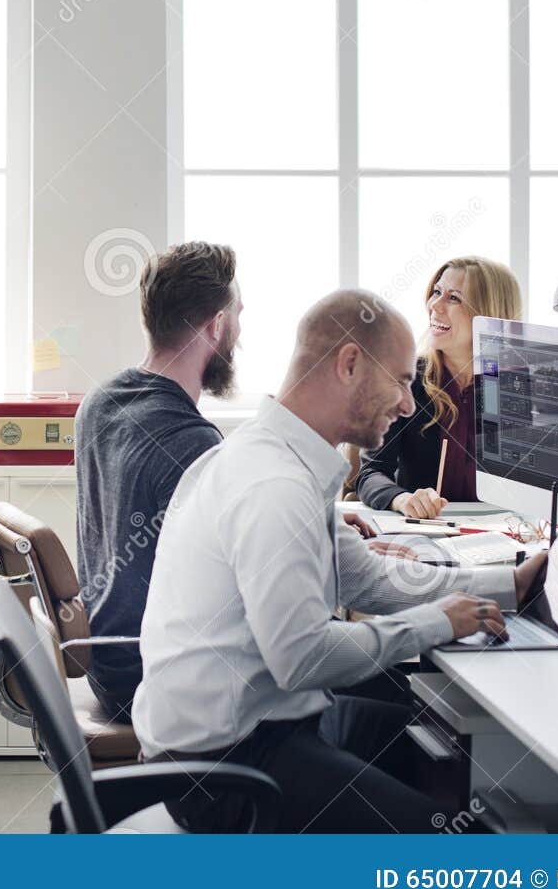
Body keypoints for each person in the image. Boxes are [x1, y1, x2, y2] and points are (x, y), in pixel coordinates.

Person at [132, 289, 547, 833]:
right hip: (225, 772)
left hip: (265, 727)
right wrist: (437, 622)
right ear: (349, 364)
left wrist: (510, 585)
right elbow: (302, 658)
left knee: (451, 747)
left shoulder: (282, 458)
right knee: (462, 836)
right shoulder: (274, 485)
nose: (407, 404)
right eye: (401, 381)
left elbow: (366, 578)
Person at [74, 242, 407, 723]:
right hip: (158, 677)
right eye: (238, 315)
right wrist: (338, 554)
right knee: (404, 693)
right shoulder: (189, 440)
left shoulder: (102, 400)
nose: (240, 333)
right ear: (216, 325)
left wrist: (322, 526)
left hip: (110, 664)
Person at [356, 257, 522, 518]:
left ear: (488, 314)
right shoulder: (403, 378)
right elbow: (370, 474)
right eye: (436, 292)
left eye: (454, 298)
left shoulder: (520, 386)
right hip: (423, 529)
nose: (434, 305)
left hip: (503, 528)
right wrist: (402, 499)